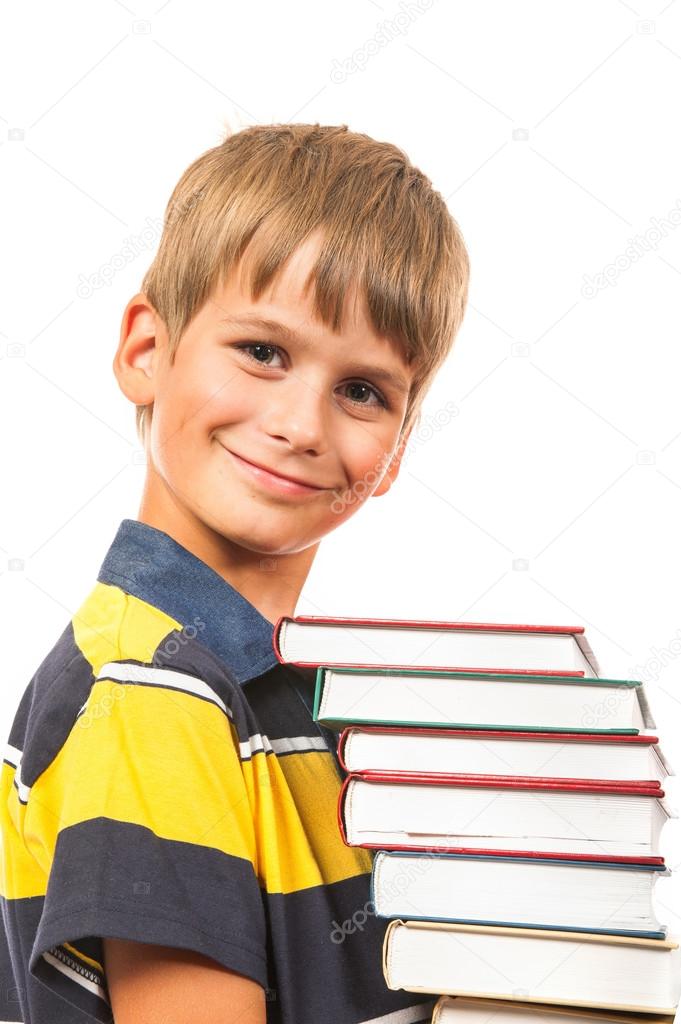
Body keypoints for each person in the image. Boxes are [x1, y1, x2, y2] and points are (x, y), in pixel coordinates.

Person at [0, 122, 470, 1024]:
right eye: (262, 352)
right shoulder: (153, 693)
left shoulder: (272, 693)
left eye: (362, 391)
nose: (300, 425)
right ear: (147, 350)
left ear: (399, 445)